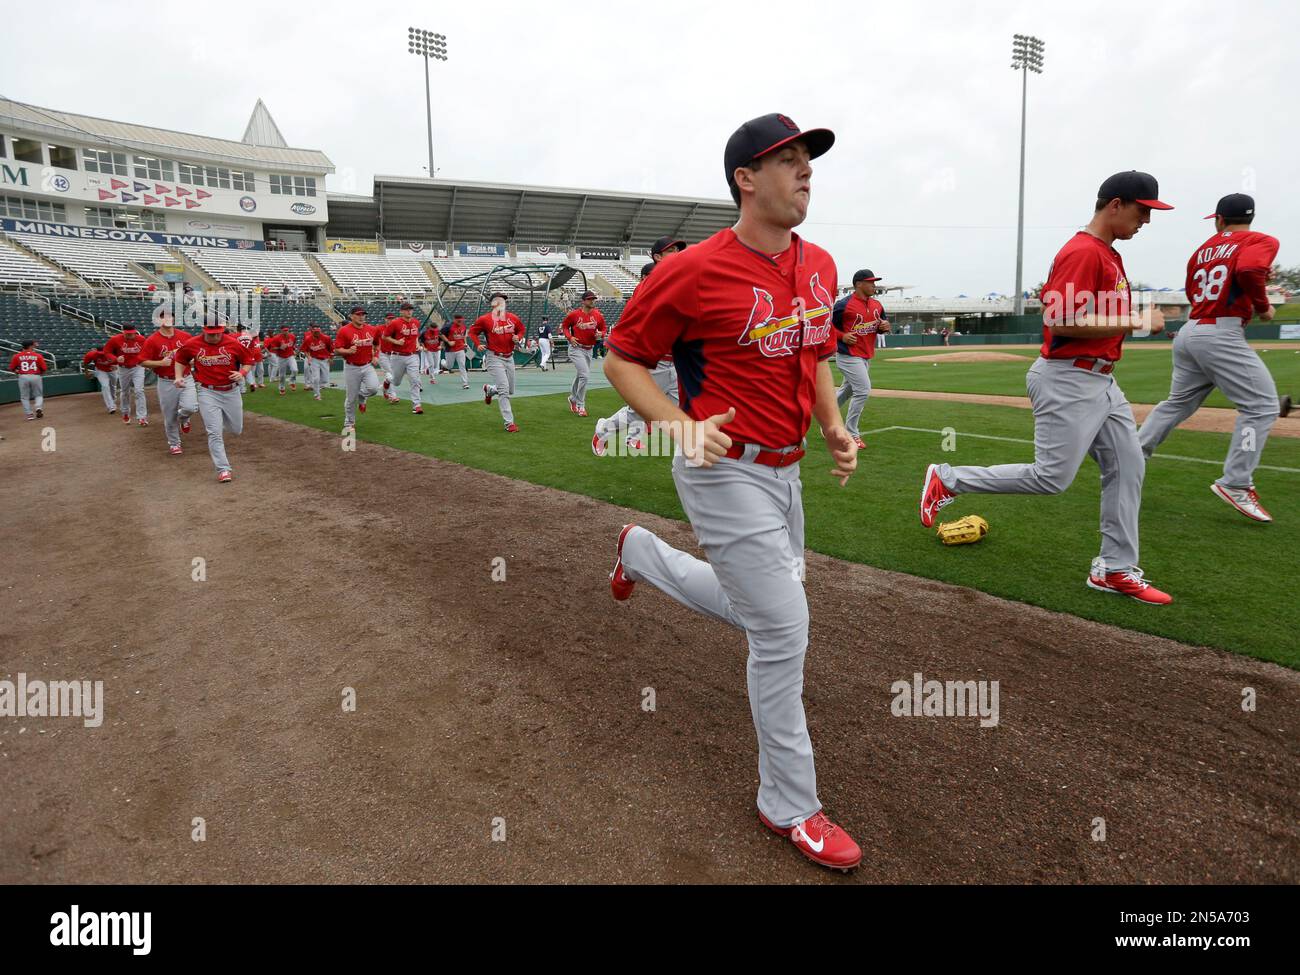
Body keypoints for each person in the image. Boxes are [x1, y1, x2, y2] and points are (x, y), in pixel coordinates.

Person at [603, 113, 861, 872]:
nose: (805, 169)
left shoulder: (819, 263)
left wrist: (836, 426)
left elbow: (815, 355)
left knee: (765, 606)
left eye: (808, 159)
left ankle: (642, 553)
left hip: (787, 469)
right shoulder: (691, 269)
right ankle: (788, 803)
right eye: (787, 159)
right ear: (745, 179)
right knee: (782, 628)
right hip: (722, 467)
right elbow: (623, 358)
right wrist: (678, 426)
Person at [920, 170, 1175, 605]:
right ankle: (948, 479)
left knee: (1129, 465)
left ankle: (1114, 568)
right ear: (1115, 204)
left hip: (1100, 380)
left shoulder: (1109, 254)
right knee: (1051, 478)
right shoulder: (1083, 252)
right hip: (1068, 377)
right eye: (1142, 211)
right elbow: (1058, 321)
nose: (1146, 222)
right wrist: (1136, 320)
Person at [1137, 193, 1282, 523]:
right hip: (1221, 331)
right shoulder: (1261, 239)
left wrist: (1248, 283)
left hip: (1193, 329)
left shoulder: (1203, 249)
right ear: (1251, 217)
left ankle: (1132, 454)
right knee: (1261, 406)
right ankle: (1236, 482)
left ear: (1219, 219)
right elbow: (1248, 268)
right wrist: (1262, 306)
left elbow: (1197, 289)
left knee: (1177, 402)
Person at [592, 238, 684, 456]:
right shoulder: (649, 285)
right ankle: (604, 430)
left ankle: (688, 462)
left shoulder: (680, 281)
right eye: (670, 250)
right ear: (657, 257)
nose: (677, 253)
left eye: (678, 250)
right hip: (657, 361)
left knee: (674, 412)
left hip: (678, 362)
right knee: (642, 410)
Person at [173, 318, 256, 482]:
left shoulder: (233, 343)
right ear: (204, 330)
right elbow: (180, 359)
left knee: (236, 429)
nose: (214, 337)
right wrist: (178, 376)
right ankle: (223, 469)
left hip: (231, 391)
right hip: (207, 392)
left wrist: (242, 374)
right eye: (211, 334)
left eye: (217, 333)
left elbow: (248, 361)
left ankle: (214, 422)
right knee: (214, 432)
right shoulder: (193, 343)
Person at [831, 269, 890, 450]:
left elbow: (881, 325)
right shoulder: (843, 305)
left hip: (865, 355)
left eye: (875, 282)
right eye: (870, 282)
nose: (874, 285)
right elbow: (826, 327)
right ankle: (852, 432)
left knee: (847, 391)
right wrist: (842, 336)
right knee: (863, 390)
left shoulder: (877, 305)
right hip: (848, 355)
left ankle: (827, 419)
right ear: (858, 284)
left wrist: (884, 327)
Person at [137, 309, 196, 455]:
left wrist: (193, 360)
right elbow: (142, 361)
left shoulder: (185, 336)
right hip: (166, 381)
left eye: (170, 316)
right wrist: (160, 363)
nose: (167, 319)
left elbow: (194, 354)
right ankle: (174, 443)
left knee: (190, 407)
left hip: (186, 377)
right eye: (163, 317)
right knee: (169, 415)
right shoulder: (152, 340)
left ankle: (184, 418)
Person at [470, 292, 525, 432]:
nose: (502, 302)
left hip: (509, 356)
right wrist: (477, 344)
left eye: (504, 300)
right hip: (494, 357)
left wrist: (518, 337)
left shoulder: (512, 318)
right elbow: (472, 332)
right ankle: (509, 423)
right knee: (504, 391)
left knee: (510, 389)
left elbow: (521, 329)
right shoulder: (485, 319)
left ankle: (490, 389)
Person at [333, 307, 381, 434]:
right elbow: (337, 349)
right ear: (351, 316)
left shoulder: (371, 329)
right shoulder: (344, 330)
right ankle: (349, 422)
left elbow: (377, 343)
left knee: (374, 388)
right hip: (351, 366)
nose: (361, 316)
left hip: (367, 365)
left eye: (363, 314)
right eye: (358, 314)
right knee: (350, 398)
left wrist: (376, 356)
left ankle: (361, 395)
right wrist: (348, 351)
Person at [562, 290, 607, 417]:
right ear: (583, 301)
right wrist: (570, 337)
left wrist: (601, 334)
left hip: (589, 349)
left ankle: (572, 398)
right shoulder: (574, 315)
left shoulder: (597, 315)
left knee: (581, 375)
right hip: (576, 348)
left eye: (593, 299)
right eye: (589, 299)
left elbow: (603, 328)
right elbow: (564, 326)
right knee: (585, 376)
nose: (592, 301)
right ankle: (581, 405)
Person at [382, 302, 424, 413]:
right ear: (401, 311)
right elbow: (385, 336)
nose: (409, 311)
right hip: (398, 356)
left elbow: (415, 336)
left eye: (410, 309)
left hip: (413, 356)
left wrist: (418, 344)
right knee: (396, 382)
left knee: (415, 380)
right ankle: (387, 379)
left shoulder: (416, 322)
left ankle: (417, 405)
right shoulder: (395, 323)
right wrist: (396, 341)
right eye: (406, 309)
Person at [103, 325, 149, 425]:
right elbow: (106, 352)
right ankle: (125, 413)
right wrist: (115, 359)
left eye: (132, 333)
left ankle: (142, 417)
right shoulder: (115, 339)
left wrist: (146, 362)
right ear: (123, 332)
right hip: (123, 368)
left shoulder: (141, 339)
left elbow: (146, 352)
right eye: (128, 333)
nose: (130, 335)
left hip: (138, 367)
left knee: (139, 391)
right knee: (125, 391)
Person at [10, 340, 47, 420]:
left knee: (24, 397)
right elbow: (44, 368)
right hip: (36, 376)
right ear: (30, 346)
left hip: (23, 376)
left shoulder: (16, 356)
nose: (34, 346)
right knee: (38, 395)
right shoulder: (38, 355)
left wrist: (18, 372)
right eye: (33, 345)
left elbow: (12, 368)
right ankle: (38, 407)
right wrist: (40, 374)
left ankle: (29, 414)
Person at [300, 324, 334, 401]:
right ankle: (317, 395)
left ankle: (316, 386)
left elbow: (331, 349)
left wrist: (331, 358)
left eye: (318, 331)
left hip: (325, 360)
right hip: (314, 360)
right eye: (315, 331)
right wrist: (308, 357)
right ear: (312, 331)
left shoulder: (326, 338)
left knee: (325, 380)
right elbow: (304, 349)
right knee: (316, 378)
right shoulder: (308, 339)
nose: (317, 333)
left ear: (320, 331)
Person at [82, 344, 119, 413]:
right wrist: (86, 373)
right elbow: (85, 363)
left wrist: (116, 365)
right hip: (100, 370)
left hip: (112, 370)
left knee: (113, 386)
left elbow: (121, 360)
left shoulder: (112, 353)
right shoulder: (92, 354)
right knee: (105, 386)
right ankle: (111, 407)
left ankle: (113, 400)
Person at [264, 326, 299, 393]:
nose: (286, 332)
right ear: (281, 331)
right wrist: (280, 348)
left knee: (295, 370)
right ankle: (282, 387)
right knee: (282, 375)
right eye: (284, 330)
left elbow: (293, 344)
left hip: (290, 356)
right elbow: (272, 348)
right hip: (281, 357)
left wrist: (294, 349)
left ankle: (292, 381)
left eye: (287, 330)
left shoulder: (292, 336)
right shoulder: (277, 338)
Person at [441, 314, 470, 388]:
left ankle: (465, 383)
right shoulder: (448, 326)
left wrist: (465, 343)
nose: (460, 321)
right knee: (449, 366)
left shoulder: (463, 326)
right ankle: (443, 363)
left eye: (461, 320)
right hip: (450, 350)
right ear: (454, 320)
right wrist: (448, 342)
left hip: (460, 349)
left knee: (462, 366)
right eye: (458, 320)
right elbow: (440, 334)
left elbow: (463, 336)